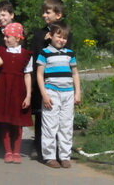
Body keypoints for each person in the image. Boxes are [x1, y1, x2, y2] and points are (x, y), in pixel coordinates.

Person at [30, 0, 73, 159]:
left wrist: (54, 41)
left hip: (60, 80)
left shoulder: (66, 34)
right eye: (44, 12)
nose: (44, 15)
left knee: (60, 117)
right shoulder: (39, 34)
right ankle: (39, 146)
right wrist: (44, 41)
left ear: (58, 15)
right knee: (42, 113)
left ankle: (60, 148)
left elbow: (67, 53)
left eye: (47, 12)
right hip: (43, 80)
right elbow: (36, 56)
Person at [36, 22, 81, 169]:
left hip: (68, 92)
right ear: (51, 36)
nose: (61, 40)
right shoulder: (45, 53)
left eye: (64, 38)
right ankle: (49, 156)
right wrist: (44, 95)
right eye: (58, 36)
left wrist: (77, 92)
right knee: (50, 125)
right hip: (51, 92)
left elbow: (75, 73)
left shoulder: (70, 53)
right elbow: (39, 74)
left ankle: (64, 156)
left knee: (66, 125)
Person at [0, 22, 33, 164]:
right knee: (4, 122)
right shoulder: (0, 52)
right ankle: (8, 151)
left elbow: (28, 75)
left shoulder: (26, 55)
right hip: (3, 89)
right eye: (4, 36)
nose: (5, 39)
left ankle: (17, 151)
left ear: (18, 38)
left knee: (18, 123)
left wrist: (28, 95)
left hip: (19, 91)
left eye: (8, 37)